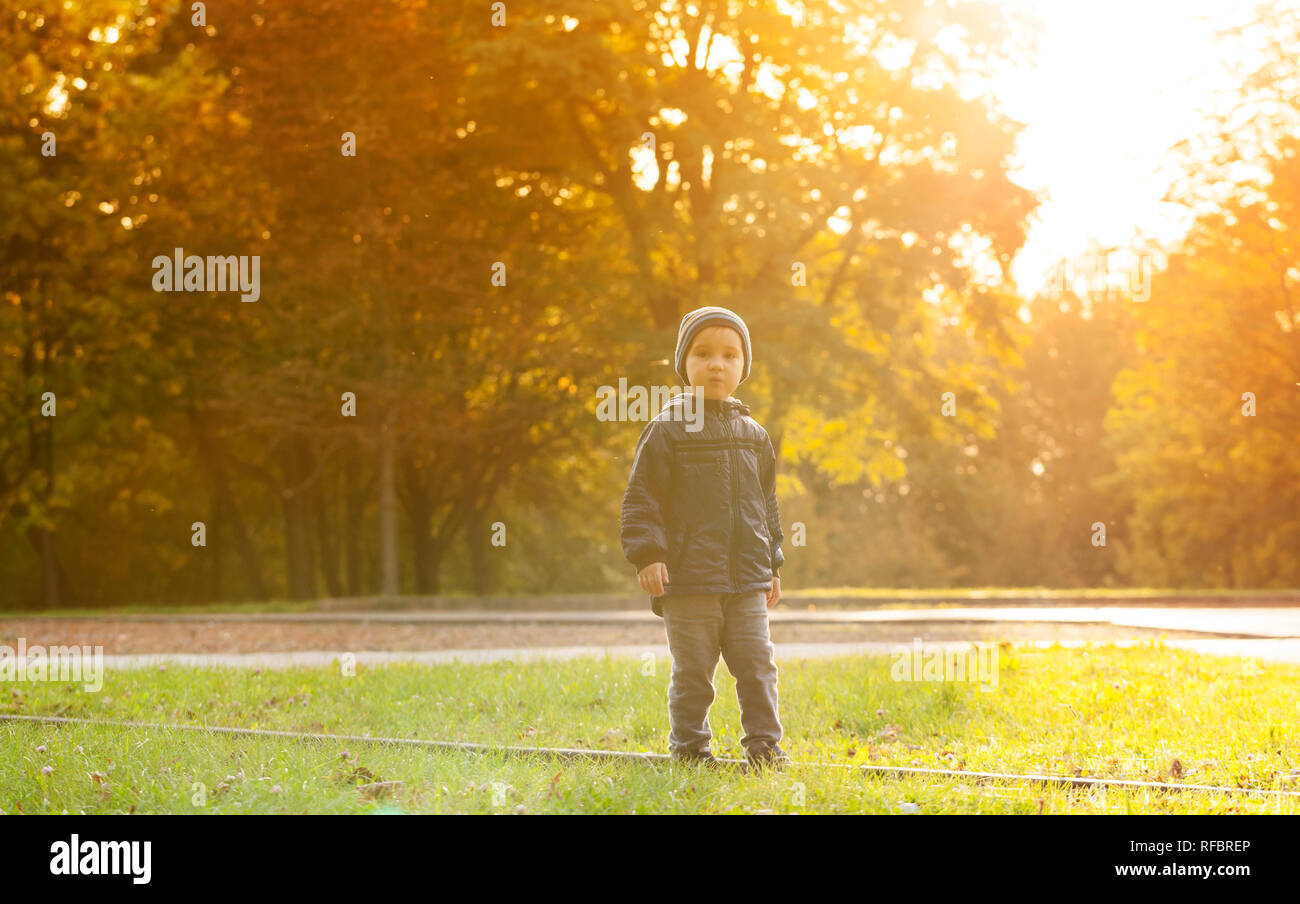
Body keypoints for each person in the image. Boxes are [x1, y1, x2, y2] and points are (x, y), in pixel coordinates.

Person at [620, 305, 791, 773]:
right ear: (684, 364)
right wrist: (648, 555)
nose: (717, 364)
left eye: (730, 355)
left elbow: (766, 505)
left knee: (757, 667)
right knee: (694, 674)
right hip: (689, 580)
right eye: (704, 353)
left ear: (743, 366)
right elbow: (642, 498)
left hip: (748, 582)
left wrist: (772, 564)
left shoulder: (754, 434)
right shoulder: (667, 430)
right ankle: (690, 749)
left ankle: (764, 747)